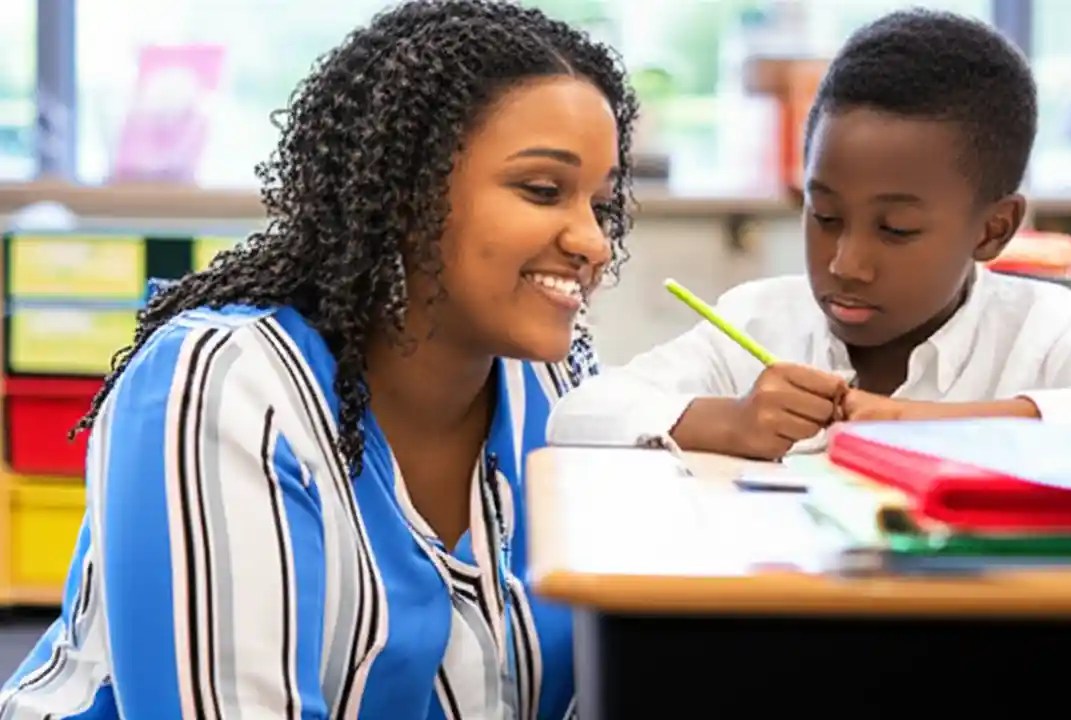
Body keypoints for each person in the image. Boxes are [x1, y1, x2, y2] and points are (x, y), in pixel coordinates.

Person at [1, 2, 637, 718]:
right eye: (544, 191)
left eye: (603, 206)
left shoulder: (557, 384)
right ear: (405, 193)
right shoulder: (225, 387)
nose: (592, 242)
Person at [548, 8, 1071, 460]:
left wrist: (947, 424)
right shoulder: (760, 320)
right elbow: (579, 414)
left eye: (897, 229)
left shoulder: (1040, 332)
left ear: (994, 229)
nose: (847, 263)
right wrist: (724, 420)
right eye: (824, 217)